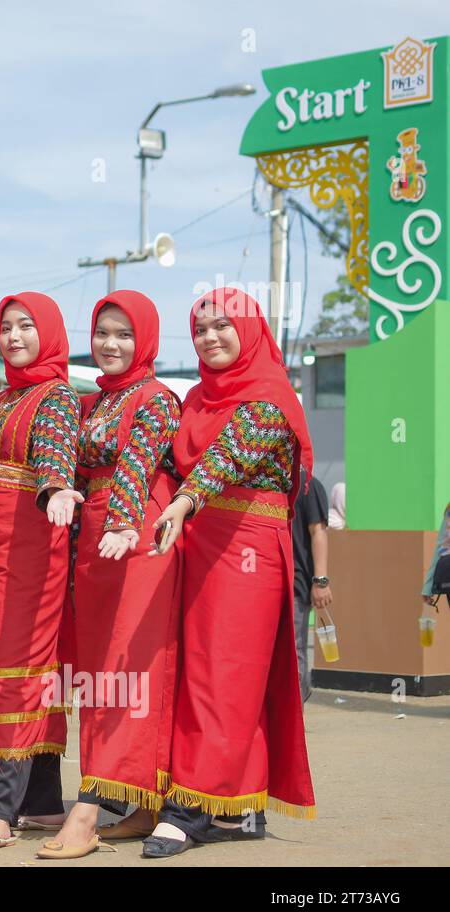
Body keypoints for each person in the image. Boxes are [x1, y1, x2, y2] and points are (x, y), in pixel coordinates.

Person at [145, 287, 316, 858]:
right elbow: (165, 459)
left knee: (224, 675)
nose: (210, 336)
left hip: (246, 547)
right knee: (198, 671)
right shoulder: (194, 398)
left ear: (250, 328)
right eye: (199, 329)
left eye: (222, 325)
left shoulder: (270, 396)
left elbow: (227, 458)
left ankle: (190, 807)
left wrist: (187, 500)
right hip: (194, 543)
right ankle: (238, 808)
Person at [37, 290, 182, 860]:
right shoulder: (91, 402)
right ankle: (143, 800)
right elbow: (61, 458)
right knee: (101, 671)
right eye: (102, 333)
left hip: (140, 537)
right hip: (97, 543)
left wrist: (123, 522)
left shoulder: (159, 399)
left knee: (129, 665)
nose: (110, 344)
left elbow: (138, 463)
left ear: (144, 339)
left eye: (124, 334)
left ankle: (90, 807)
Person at [0, 292, 80, 852]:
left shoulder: (54, 397)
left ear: (48, 332)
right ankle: (44, 802)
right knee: (33, 666)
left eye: (26, 326)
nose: (13, 336)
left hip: (30, 551)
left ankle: (0, 813)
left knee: (12, 665)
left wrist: (55, 487)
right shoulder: (2, 398)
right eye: (6, 328)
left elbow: (55, 451)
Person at [290, 472, 331, 702]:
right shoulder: (269, 484)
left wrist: (321, 580)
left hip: (296, 584)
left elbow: (318, 533)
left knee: (294, 650)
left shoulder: (307, 486)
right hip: (267, 583)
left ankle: (296, 710)